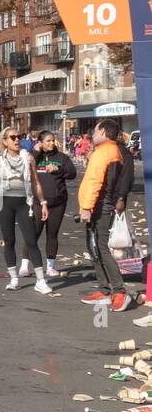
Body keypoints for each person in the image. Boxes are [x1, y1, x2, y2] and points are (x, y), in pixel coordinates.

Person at [0, 126, 50, 294]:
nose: (17, 140)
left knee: (31, 240)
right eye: (12, 137)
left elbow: (35, 182)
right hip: (4, 204)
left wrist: (43, 202)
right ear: (4, 142)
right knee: (9, 241)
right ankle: (14, 279)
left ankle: (41, 281)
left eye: (18, 136)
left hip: (24, 203)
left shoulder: (28, 158)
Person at [77, 119, 131, 310]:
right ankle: (105, 289)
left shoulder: (103, 153)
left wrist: (86, 207)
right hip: (100, 205)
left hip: (99, 206)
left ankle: (118, 291)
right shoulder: (112, 151)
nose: (92, 134)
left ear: (103, 132)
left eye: (95, 130)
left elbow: (94, 182)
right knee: (95, 247)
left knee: (100, 247)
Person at [32, 131, 77, 279]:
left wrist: (59, 169)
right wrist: (36, 152)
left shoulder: (61, 157)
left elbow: (72, 173)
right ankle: (25, 266)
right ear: (40, 142)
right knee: (33, 234)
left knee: (52, 234)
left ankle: (50, 267)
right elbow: (26, 166)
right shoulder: (34, 157)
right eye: (48, 141)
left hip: (58, 202)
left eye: (53, 140)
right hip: (38, 202)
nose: (51, 143)